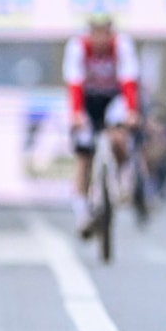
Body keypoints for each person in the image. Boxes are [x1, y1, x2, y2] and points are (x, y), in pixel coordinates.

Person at [62, 12, 145, 237]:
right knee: (83, 157)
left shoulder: (122, 45)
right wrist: (77, 114)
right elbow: (75, 83)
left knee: (119, 135)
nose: (100, 38)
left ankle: (123, 176)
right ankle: (82, 214)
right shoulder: (77, 47)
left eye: (104, 32)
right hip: (87, 101)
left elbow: (129, 81)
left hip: (113, 98)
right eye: (95, 32)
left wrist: (131, 112)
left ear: (110, 31)